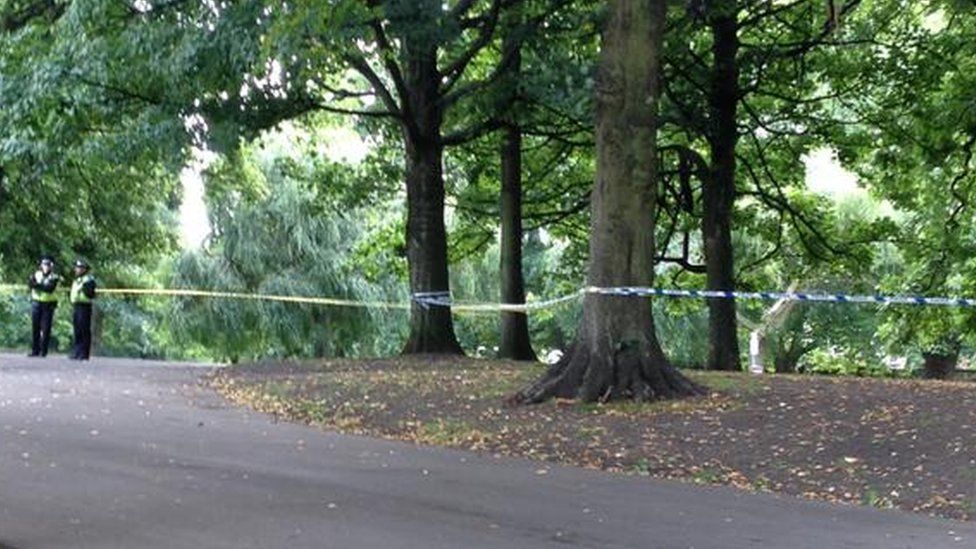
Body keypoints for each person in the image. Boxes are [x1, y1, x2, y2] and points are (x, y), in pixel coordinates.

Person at [27, 256, 60, 357]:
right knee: (35, 327)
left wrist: (37, 285)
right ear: (41, 265)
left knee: (45, 328)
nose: (46, 267)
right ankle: (35, 350)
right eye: (44, 264)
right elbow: (30, 284)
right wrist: (39, 285)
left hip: (48, 304)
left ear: (51, 267)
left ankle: (43, 350)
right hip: (36, 303)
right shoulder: (36, 274)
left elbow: (49, 288)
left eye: (48, 265)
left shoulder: (54, 277)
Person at [69, 259, 97, 360]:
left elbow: (90, 294)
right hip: (77, 305)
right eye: (77, 267)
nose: (78, 269)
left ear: (85, 269)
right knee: (77, 329)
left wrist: (84, 287)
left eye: (80, 268)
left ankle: (84, 353)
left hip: (84, 306)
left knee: (84, 329)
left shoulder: (89, 279)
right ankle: (77, 351)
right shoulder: (77, 279)